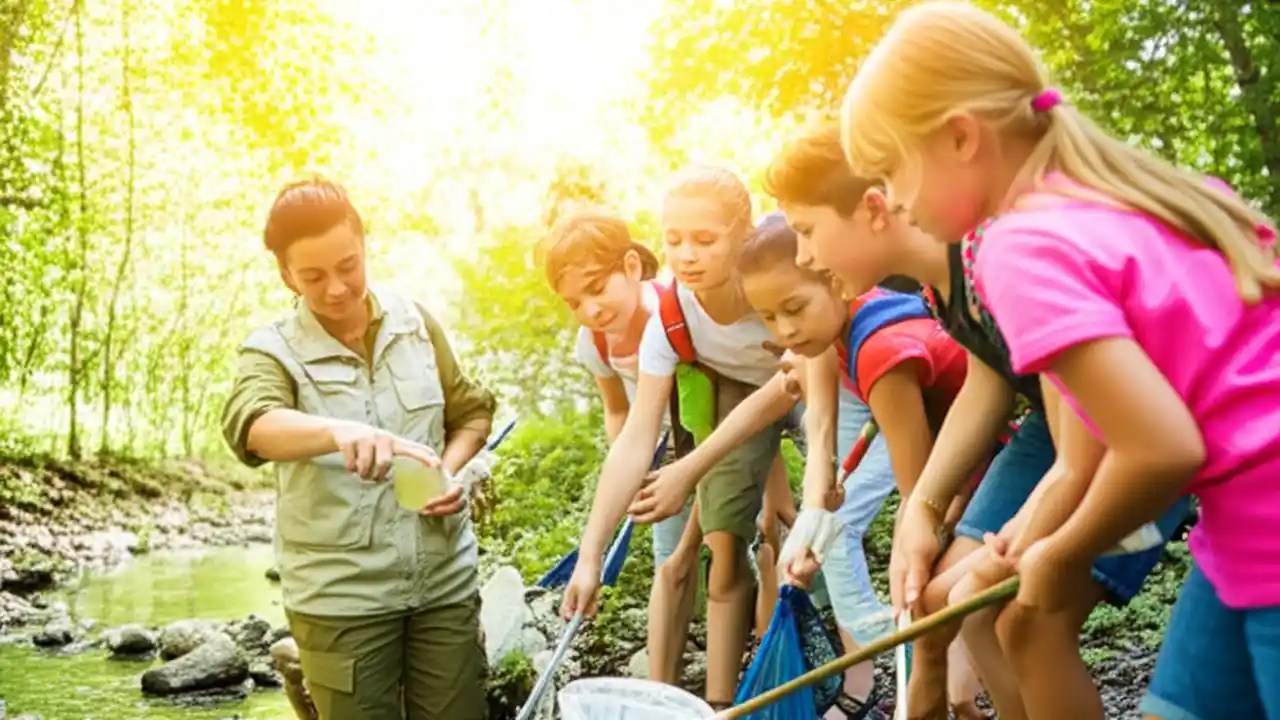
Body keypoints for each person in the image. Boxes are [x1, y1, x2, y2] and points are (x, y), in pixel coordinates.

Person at [839, 3, 1278, 719]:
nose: (892, 199)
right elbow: (1084, 452)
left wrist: (1064, 552)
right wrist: (1021, 539)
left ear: (959, 137)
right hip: (1237, 528)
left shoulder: (1019, 249)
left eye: (891, 167)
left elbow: (1162, 448)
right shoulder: (1110, 202)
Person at [780, 118, 1186, 719]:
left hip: (1134, 415)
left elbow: (1082, 439)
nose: (802, 255)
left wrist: (1020, 543)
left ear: (873, 208)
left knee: (1029, 625)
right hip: (1056, 425)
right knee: (954, 609)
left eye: (807, 231)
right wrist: (921, 509)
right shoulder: (939, 282)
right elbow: (987, 379)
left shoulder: (995, 256)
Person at [220, 178, 495, 720]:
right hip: (340, 602)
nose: (337, 288)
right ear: (285, 275)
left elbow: (472, 413)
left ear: (364, 244)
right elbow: (251, 424)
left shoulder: (415, 324)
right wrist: (337, 432)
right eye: (313, 277)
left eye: (348, 265)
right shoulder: (271, 349)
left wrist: (449, 471)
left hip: (444, 587)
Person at [560, 166, 784, 710]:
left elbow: (797, 383)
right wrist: (588, 556)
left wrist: (694, 472)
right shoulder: (672, 315)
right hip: (730, 410)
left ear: (743, 232)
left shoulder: (775, 283)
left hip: (809, 389)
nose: (687, 255)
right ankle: (717, 705)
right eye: (675, 240)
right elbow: (635, 434)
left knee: (817, 533)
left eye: (705, 240)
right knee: (720, 549)